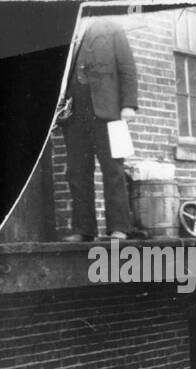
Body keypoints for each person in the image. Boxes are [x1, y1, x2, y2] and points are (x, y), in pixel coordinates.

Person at [60, 17, 138, 242]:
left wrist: (128, 105)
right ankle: (83, 229)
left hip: (108, 110)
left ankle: (119, 228)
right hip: (75, 111)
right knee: (77, 171)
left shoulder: (112, 26)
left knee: (113, 169)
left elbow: (127, 67)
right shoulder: (72, 28)